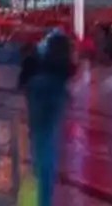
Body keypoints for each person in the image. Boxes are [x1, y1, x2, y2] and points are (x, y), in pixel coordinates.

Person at [20, 30, 75, 206]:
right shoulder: (60, 82)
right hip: (48, 142)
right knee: (44, 175)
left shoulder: (39, 80)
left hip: (39, 139)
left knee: (38, 172)